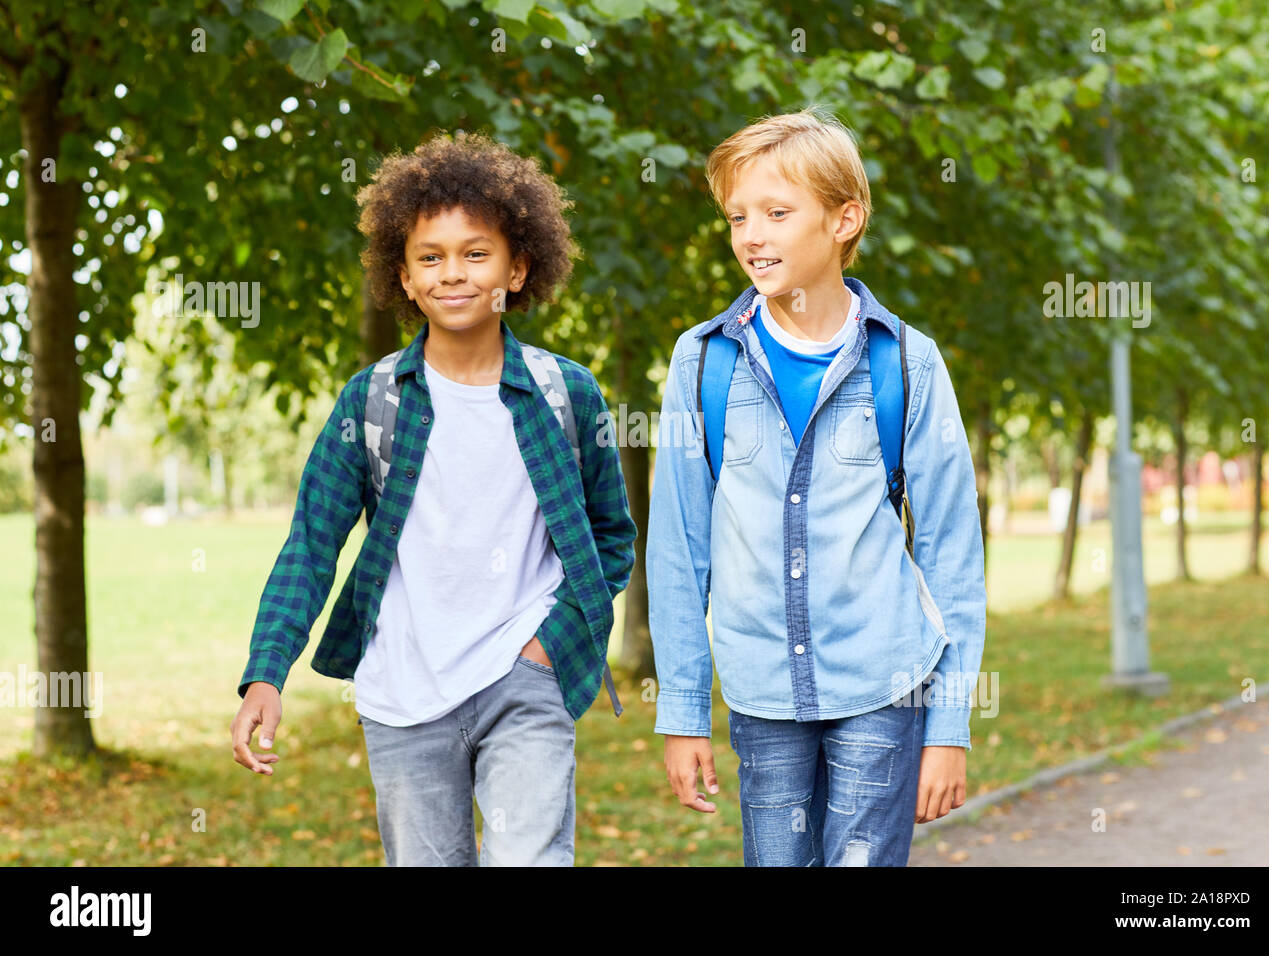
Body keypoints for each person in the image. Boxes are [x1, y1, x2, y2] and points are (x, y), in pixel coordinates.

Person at [230, 132, 637, 866]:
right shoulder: (374, 399)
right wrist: (267, 669)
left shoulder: (565, 393)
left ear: (517, 268)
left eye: (476, 254)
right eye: (432, 257)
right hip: (403, 692)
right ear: (405, 277)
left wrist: (548, 647)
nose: (454, 273)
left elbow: (611, 538)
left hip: (525, 675)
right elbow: (312, 543)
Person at [646, 106, 986, 866]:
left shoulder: (907, 362)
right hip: (763, 693)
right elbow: (678, 548)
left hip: (884, 682)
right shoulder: (702, 363)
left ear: (844, 219)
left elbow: (951, 554)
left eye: (775, 212)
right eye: (738, 216)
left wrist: (949, 727)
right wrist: (683, 712)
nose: (750, 236)